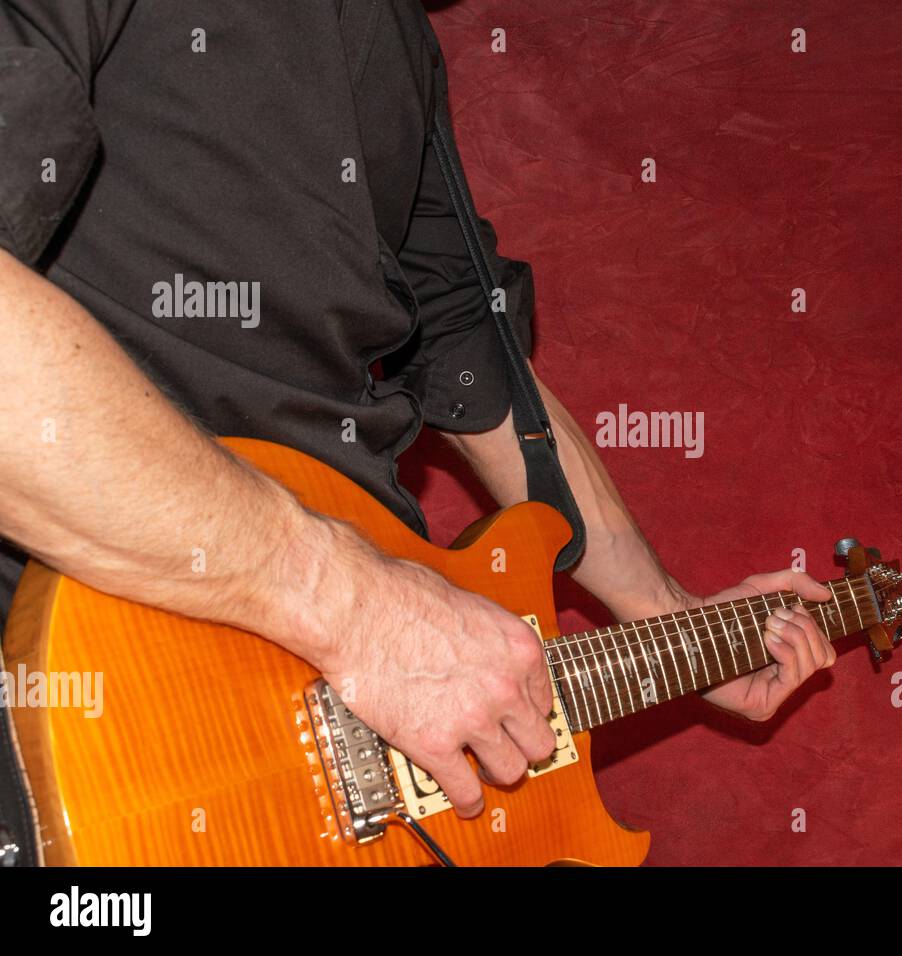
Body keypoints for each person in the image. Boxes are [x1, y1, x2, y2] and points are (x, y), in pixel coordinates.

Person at [0, 0, 835, 865]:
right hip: (105, 657)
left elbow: (473, 360)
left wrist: (676, 620)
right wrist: (362, 614)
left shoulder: (400, 42)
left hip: (333, 724)